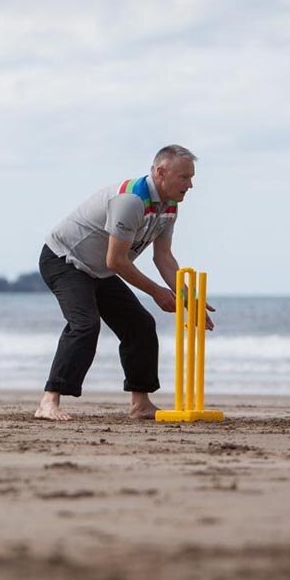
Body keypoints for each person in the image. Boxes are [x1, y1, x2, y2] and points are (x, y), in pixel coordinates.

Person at [34, 145, 213, 421]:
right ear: (160, 172)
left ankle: (140, 404)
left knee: (140, 325)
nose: (190, 184)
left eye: (191, 177)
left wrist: (190, 300)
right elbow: (116, 261)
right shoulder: (131, 201)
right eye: (184, 177)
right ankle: (48, 401)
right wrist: (156, 292)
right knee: (85, 324)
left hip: (98, 269)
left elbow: (163, 257)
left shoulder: (169, 207)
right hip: (64, 259)